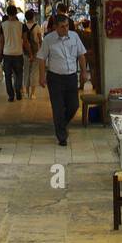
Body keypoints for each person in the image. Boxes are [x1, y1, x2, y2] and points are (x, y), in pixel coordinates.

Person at [37, 13, 89, 145]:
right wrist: (42, 76)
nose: (65, 29)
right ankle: (61, 136)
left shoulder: (74, 36)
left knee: (74, 105)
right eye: (62, 27)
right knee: (58, 108)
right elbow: (41, 58)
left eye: (66, 26)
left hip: (71, 77)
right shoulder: (49, 39)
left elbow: (81, 55)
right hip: (55, 78)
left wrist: (84, 72)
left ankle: (61, 124)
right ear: (56, 27)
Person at [1, 4, 25, 102]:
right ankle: (18, 90)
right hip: (18, 53)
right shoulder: (21, 25)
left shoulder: (3, 25)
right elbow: (25, 40)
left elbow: (1, 41)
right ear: (16, 13)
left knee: (7, 76)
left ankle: (11, 96)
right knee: (19, 74)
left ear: (7, 13)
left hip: (7, 53)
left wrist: (0, 55)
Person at [22, 8, 43, 100]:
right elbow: (40, 40)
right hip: (36, 52)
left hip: (25, 51)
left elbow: (23, 40)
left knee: (26, 71)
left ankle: (26, 92)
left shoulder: (23, 26)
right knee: (34, 72)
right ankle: (33, 94)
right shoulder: (37, 26)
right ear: (33, 17)